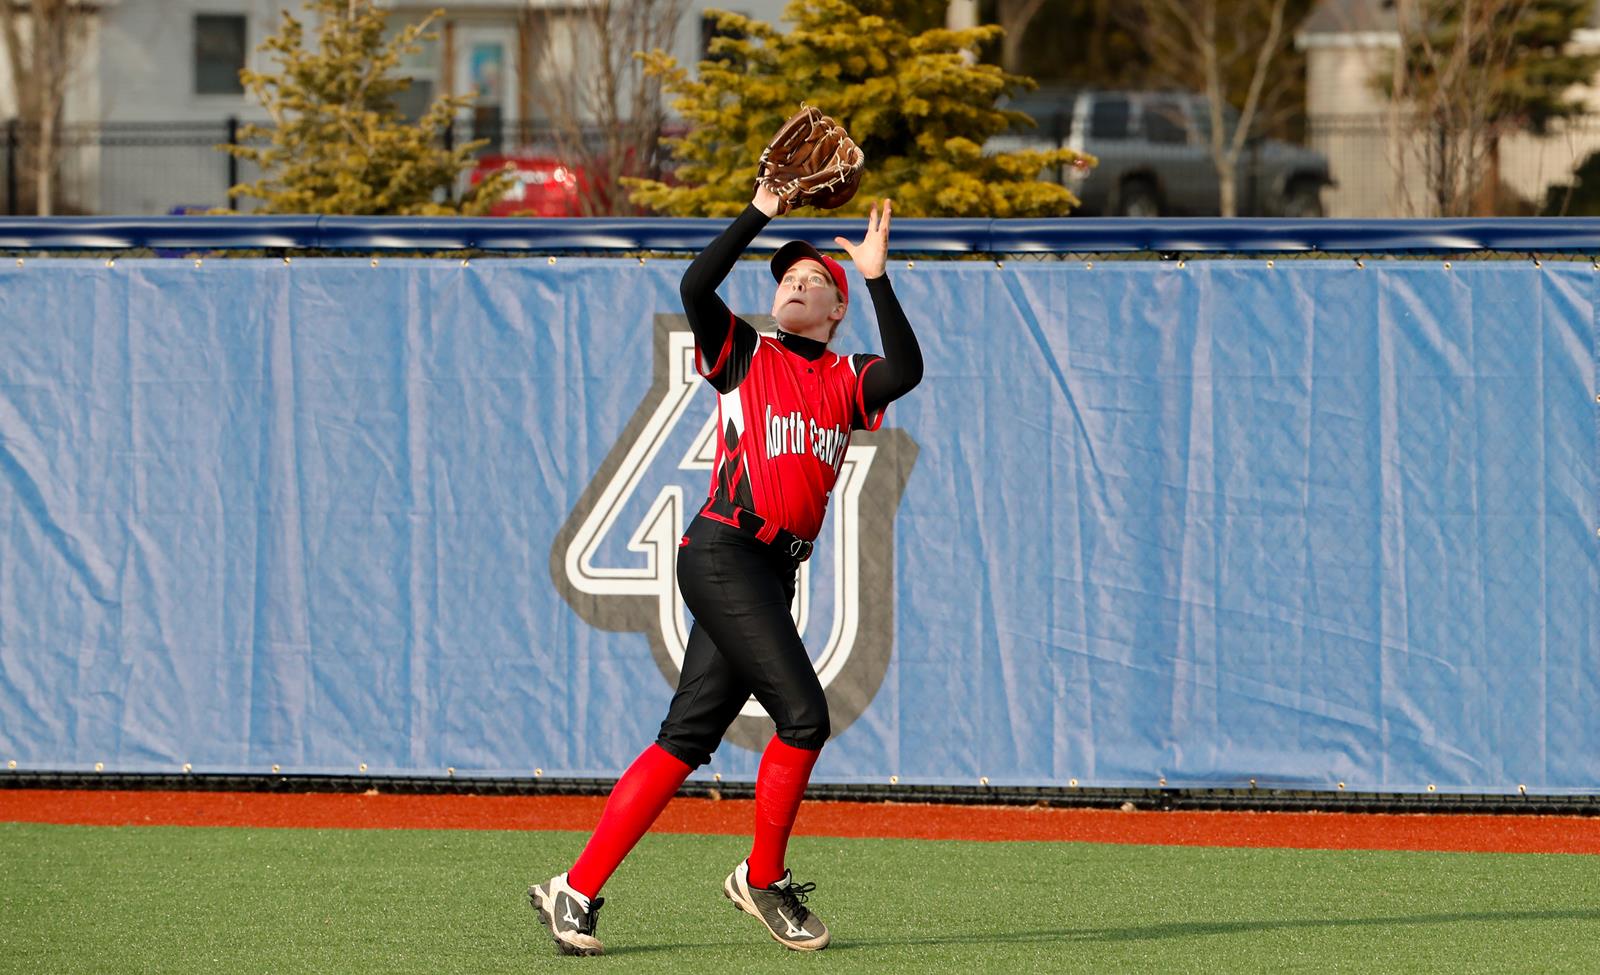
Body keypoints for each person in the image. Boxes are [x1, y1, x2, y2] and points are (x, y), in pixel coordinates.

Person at [530, 183, 923, 957]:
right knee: (804, 715)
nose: (796, 285)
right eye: (786, 278)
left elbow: (905, 368)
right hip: (721, 549)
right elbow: (694, 286)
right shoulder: (747, 352)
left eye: (814, 282)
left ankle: (572, 891)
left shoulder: (846, 381)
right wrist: (762, 209)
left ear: (837, 311)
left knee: (687, 735)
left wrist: (875, 275)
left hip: (774, 570)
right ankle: (762, 876)